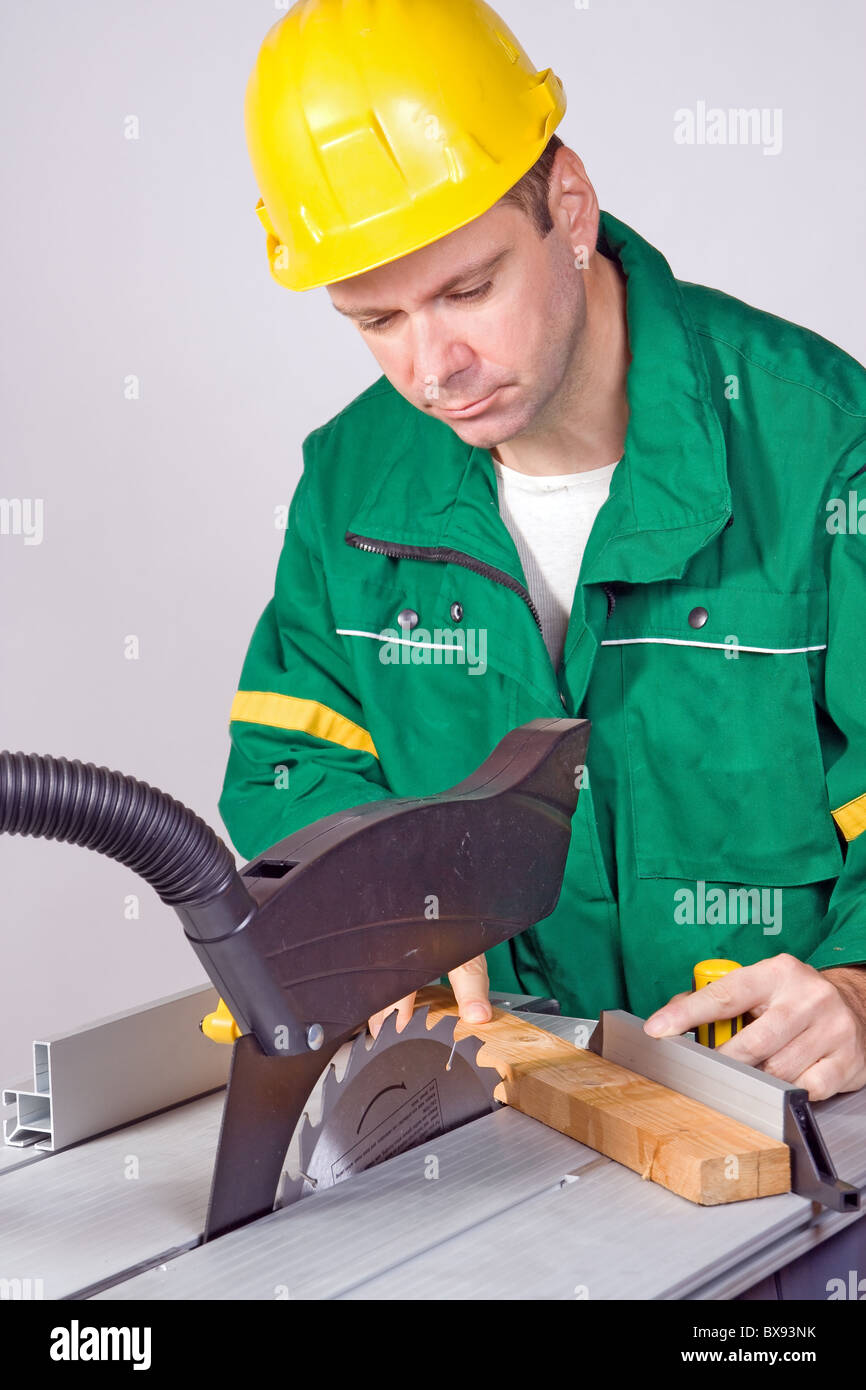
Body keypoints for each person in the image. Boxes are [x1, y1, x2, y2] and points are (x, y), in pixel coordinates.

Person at [220, 0, 866, 1100]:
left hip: (794, 1122)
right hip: (501, 1127)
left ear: (567, 208)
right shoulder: (350, 480)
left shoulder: (819, 445)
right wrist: (372, 909)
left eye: (467, 288)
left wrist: (856, 990)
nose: (435, 366)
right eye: (375, 320)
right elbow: (292, 762)